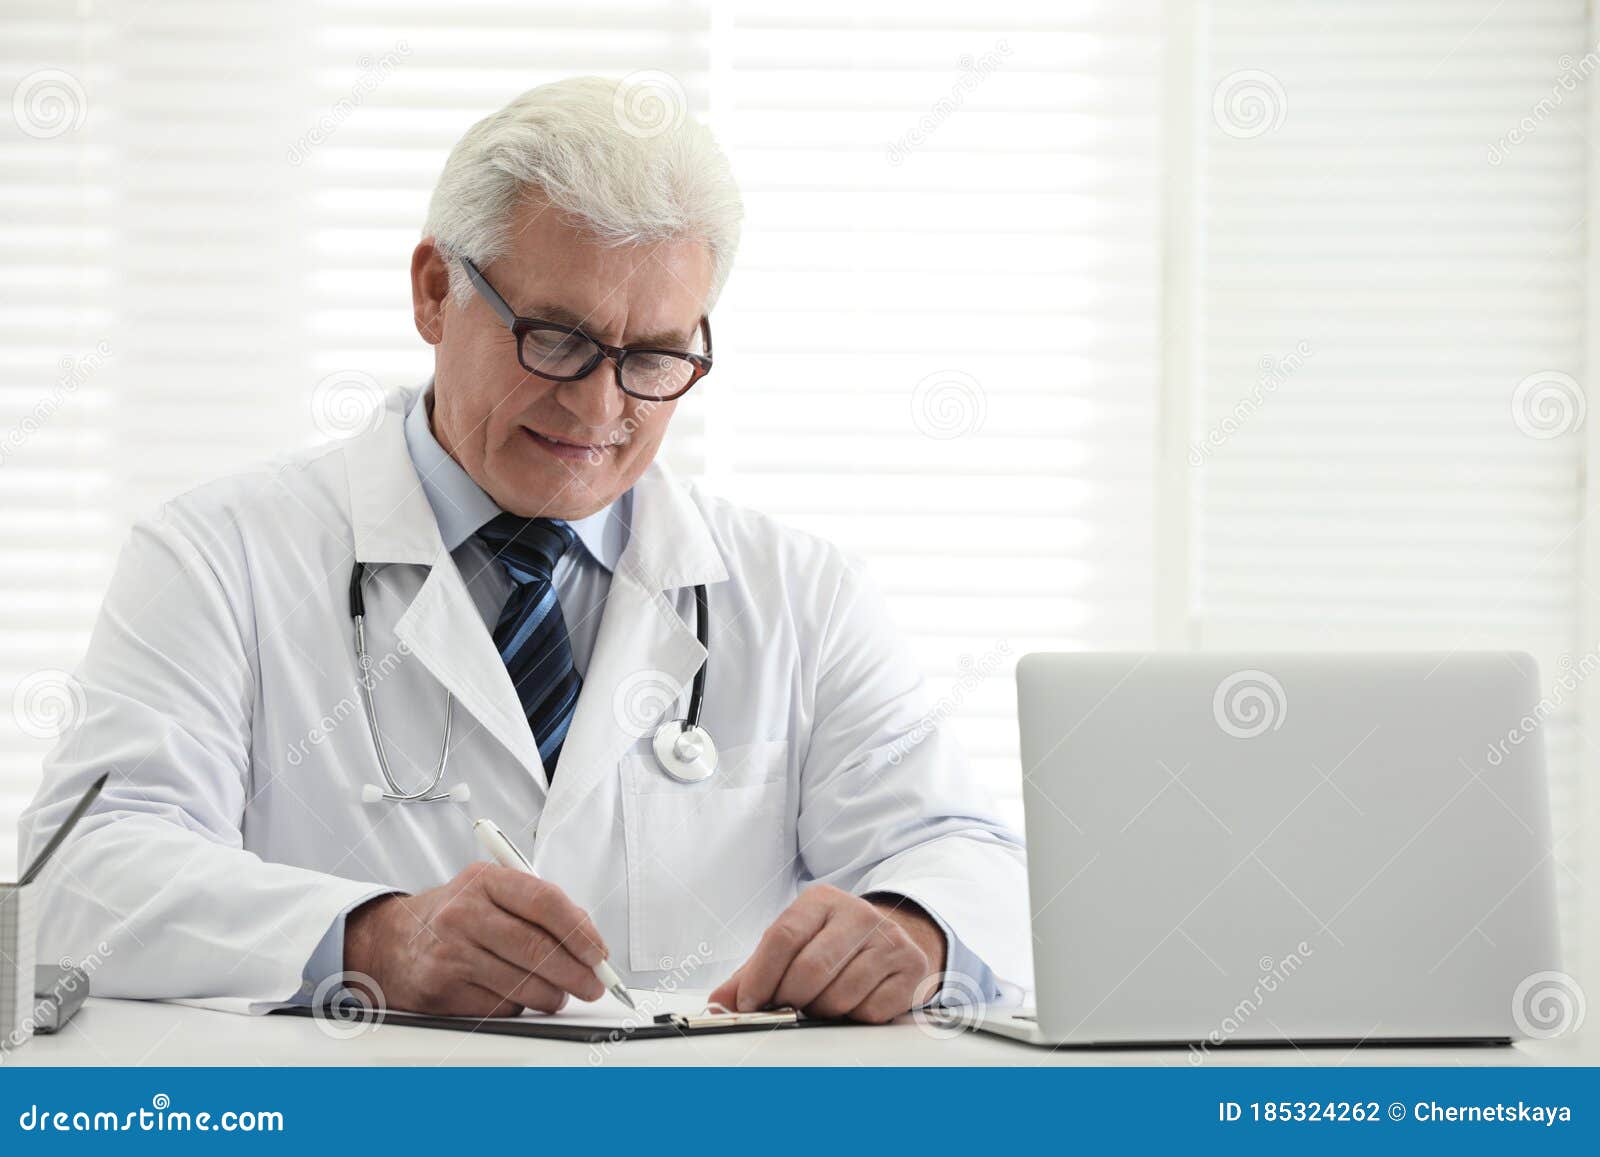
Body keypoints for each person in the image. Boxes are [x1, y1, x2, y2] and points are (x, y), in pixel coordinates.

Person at [19, 76, 1030, 1023]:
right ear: (432, 291)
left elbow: (965, 854)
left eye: (654, 356)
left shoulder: (799, 591)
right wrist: (370, 935)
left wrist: (916, 929)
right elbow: (84, 876)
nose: (598, 406)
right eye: (554, 337)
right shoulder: (218, 556)